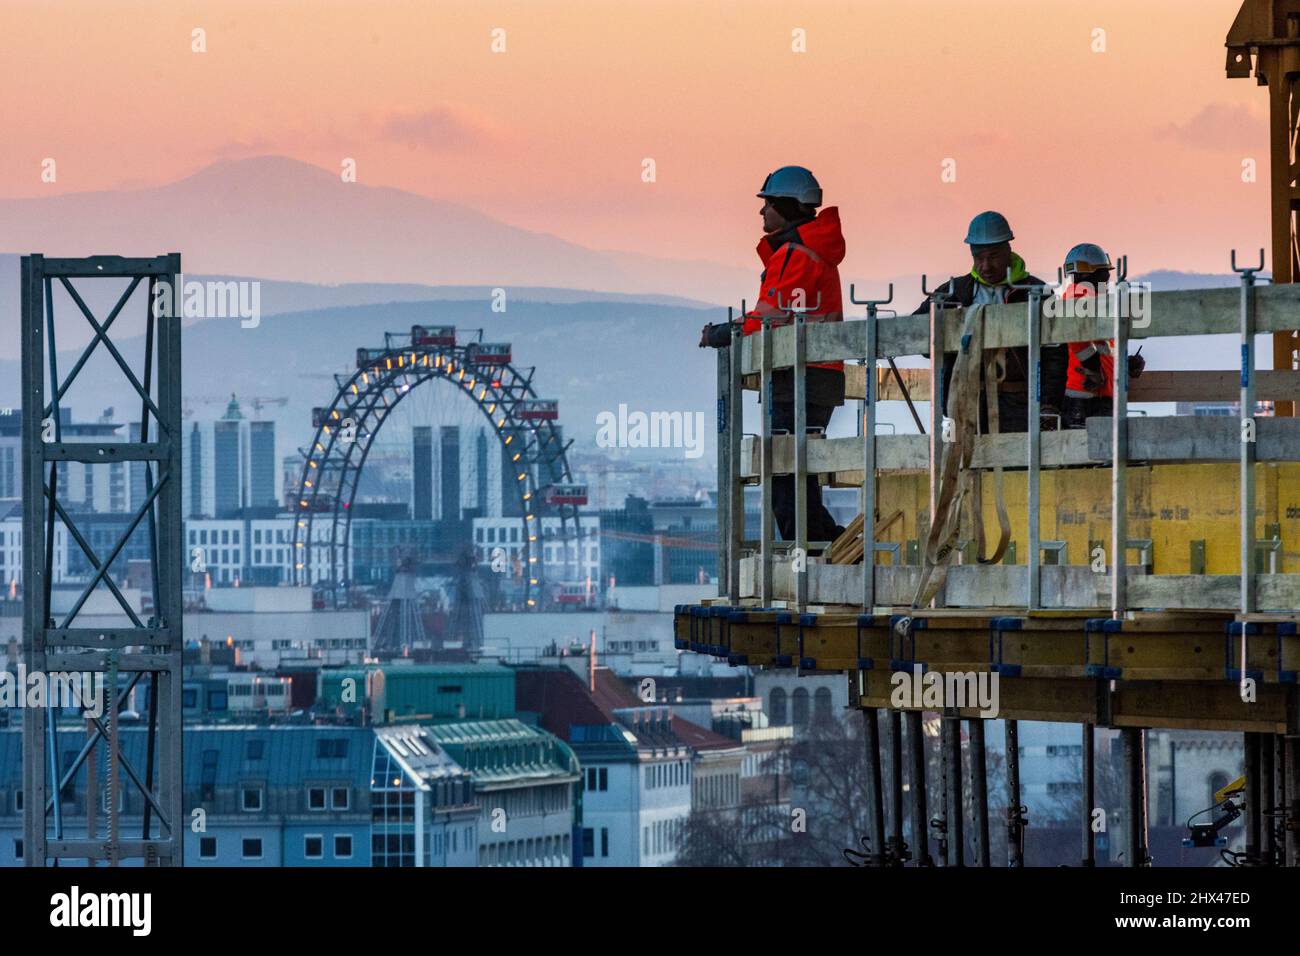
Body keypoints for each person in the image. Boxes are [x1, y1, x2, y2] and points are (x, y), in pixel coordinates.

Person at [699, 165, 846, 547]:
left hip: (799, 378)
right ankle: (824, 550)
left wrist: (722, 334)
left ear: (786, 205)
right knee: (797, 474)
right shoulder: (808, 252)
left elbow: (771, 316)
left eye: (767, 204)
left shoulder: (796, 255)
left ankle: (818, 554)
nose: (761, 212)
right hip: (812, 376)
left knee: (786, 478)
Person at [913, 210, 1069, 432]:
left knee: (1015, 464)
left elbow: (1056, 353)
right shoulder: (953, 293)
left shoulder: (1036, 292)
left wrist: (1050, 404)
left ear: (1008, 250)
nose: (985, 266)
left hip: (1020, 403)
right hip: (965, 402)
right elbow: (920, 339)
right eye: (979, 257)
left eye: (993, 256)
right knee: (963, 462)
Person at [1059, 243, 1146, 428]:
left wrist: (1124, 365)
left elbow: (1102, 349)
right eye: (1104, 274)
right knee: (1088, 453)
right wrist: (1093, 368)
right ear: (1087, 274)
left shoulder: (1098, 304)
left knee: (1101, 453)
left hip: (1099, 396)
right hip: (1083, 399)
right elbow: (1077, 339)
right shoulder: (1077, 294)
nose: (1107, 280)